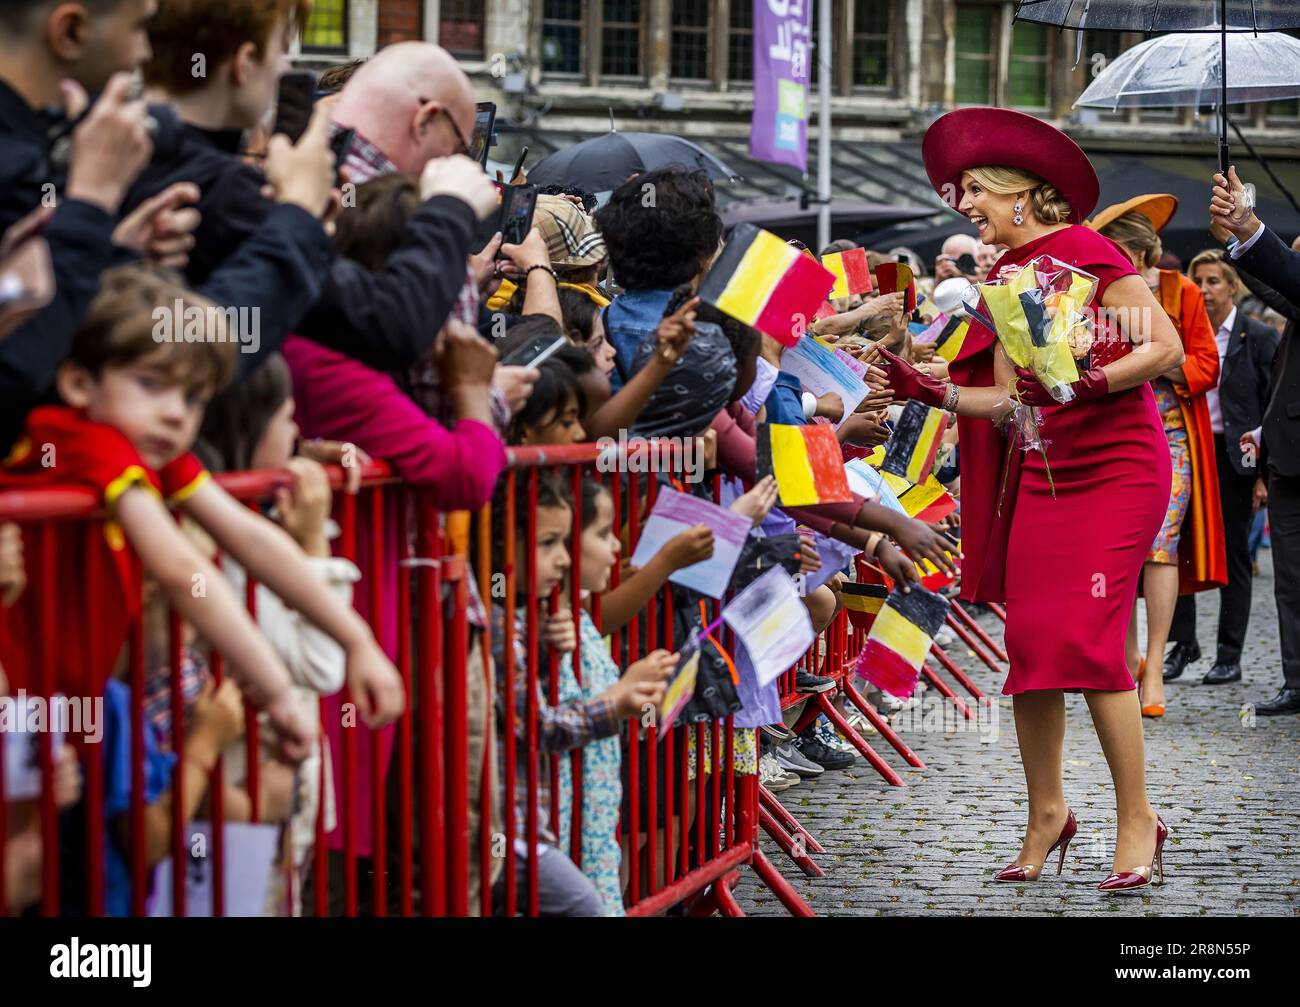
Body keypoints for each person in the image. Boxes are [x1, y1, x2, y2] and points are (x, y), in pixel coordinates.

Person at [887, 107, 1184, 892]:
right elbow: (1008, 401)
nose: (968, 206)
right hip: (1049, 475)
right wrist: (934, 390)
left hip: (1117, 469)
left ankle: (1137, 818)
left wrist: (1091, 379)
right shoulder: (998, 279)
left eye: (977, 191)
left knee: (1086, 642)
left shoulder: (1087, 252)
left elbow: (1163, 347)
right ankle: (1048, 812)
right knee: (1032, 647)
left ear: (1022, 194)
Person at [1091, 195, 1226, 718]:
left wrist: (1154, 357)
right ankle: (1127, 661)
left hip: (1170, 433)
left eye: (1118, 252)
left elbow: (1205, 364)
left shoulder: (1180, 289)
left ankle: (1156, 666)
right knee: (1119, 549)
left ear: (1141, 253)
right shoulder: (1096, 296)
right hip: (1114, 432)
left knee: (1160, 545)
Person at [1162, 248, 1279, 689]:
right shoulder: (1181, 332)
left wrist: (1264, 474)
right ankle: (1182, 643)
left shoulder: (1259, 336)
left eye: (1215, 281)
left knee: (1233, 556)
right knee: (1173, 549)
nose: (1206, 291)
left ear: (1233, 286)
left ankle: (1229, 655)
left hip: (1235, 456)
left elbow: (1270, 406)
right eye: (1200, 282)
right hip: (1185, 447)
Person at [1209, 165, 1300, 715]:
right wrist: (1239, 238)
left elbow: (1288, 279)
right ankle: (1297, 680)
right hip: (1288, 452)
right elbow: (1280, 282)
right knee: (1288, 576)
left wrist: (1250, 227)